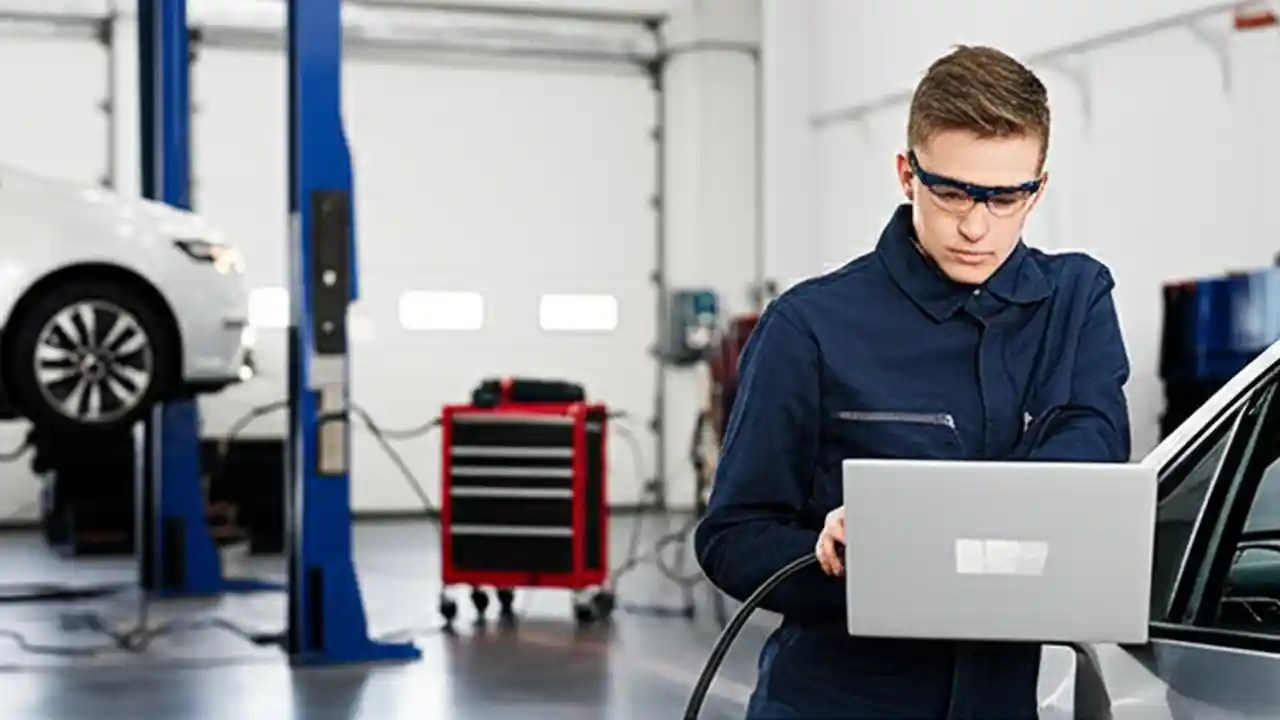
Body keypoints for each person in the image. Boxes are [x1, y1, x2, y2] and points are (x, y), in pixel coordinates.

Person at [693, 45, 1130, 720]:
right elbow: (730, 535)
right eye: (951, 192)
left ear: (1038, 188)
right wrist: (820, 553)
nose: (975, 225)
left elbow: (1095, 446)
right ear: (906, 174)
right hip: (833, 703)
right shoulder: (808, 327)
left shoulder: (1076, 302)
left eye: (1006, 197)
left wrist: (943, 533)